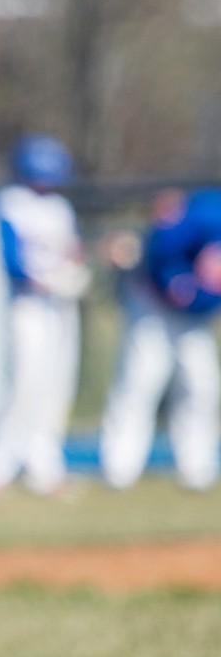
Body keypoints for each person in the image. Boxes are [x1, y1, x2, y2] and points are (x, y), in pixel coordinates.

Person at [0, 135, 89, 496]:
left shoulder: (60, 208)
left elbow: (73, 249)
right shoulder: (11, 203)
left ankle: (46, 467)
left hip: (60, 307)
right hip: (28, 307)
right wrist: (49, 281)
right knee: (24, 383)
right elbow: (13, 262)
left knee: (56, 385)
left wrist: (74, 269)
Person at [98, 187, 221, 492]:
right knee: (141, 381)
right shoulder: (205, 214)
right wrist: (188, 285)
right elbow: (161, 259)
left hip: (192, 314)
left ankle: (198, 469)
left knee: (201, 384)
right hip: (153, 303)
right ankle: (119, 469)